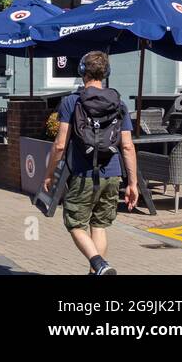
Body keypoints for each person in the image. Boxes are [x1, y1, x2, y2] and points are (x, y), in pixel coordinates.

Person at [40, 51, 138, 276]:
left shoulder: (71, 102)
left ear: (82, 71)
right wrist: (132, 183)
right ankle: (97, 272)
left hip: (83, 175)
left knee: (74, 223)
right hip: (112, 174)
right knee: (99, 225)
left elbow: (60, 145)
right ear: (107, 73)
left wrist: (48, 174)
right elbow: (128, 146)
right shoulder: (119, 104)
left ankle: (99, 264)